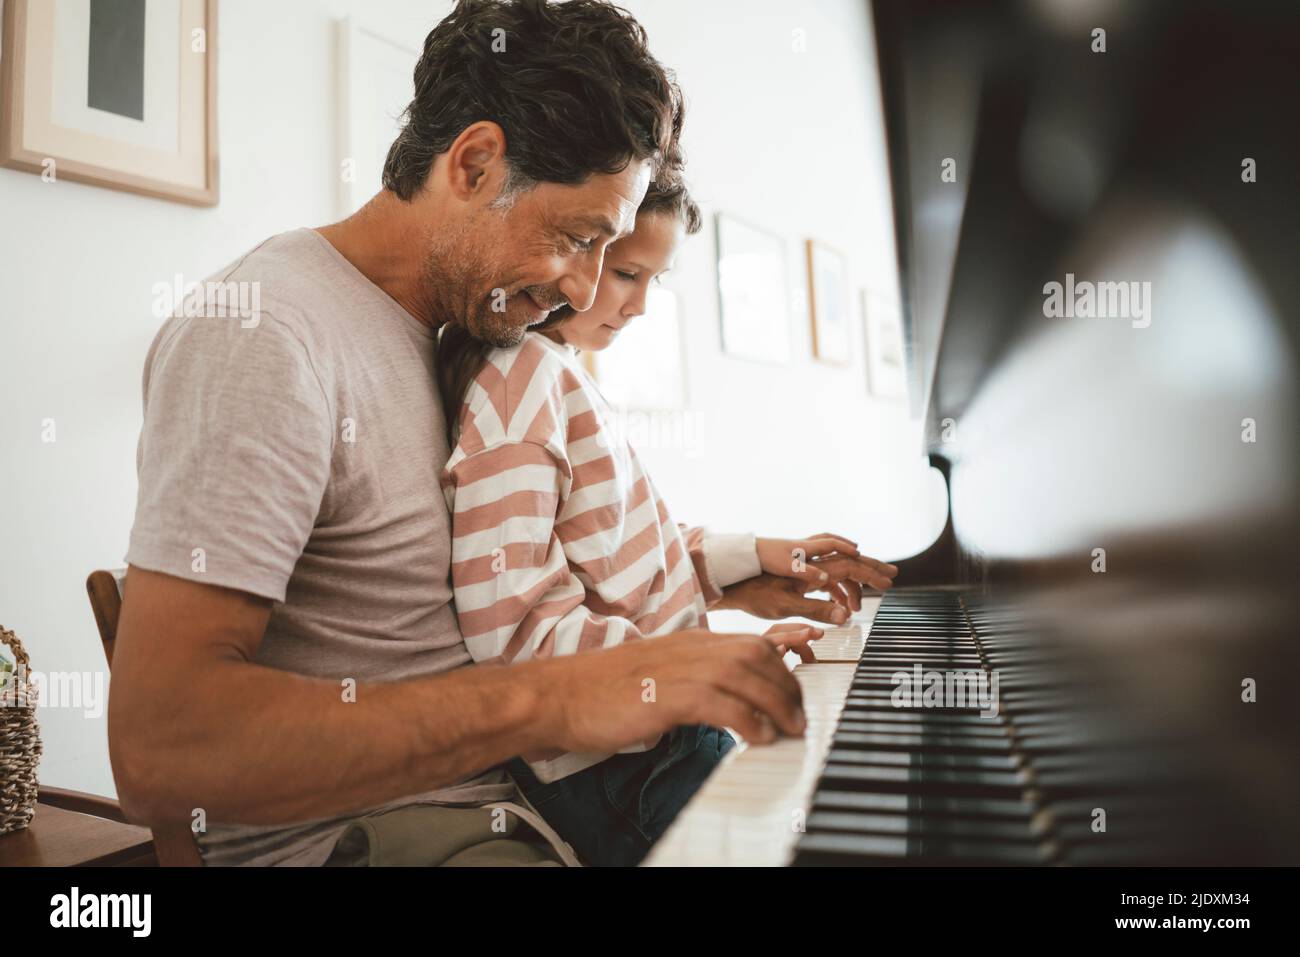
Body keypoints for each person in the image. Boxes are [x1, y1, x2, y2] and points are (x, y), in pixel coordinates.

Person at [108, 0, 869, 867]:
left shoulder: (462, 337)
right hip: (401, 834)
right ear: (473, 163)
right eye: (579, 239)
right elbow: (161, 748)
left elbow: (519, 562)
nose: (586, 292)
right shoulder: (264, 333)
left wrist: (723, 578)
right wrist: (561, 696)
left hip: (537, 798)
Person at [436, 178, 898, 863]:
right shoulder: (520, 382)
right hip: (620, 764)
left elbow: (622, 550)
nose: (641, 304)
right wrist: (708, 664)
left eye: (654, 279)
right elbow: (514, 637)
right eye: (627, 273)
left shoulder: (555, 371)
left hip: (655, 736)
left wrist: (757, 555)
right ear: (574, 251)